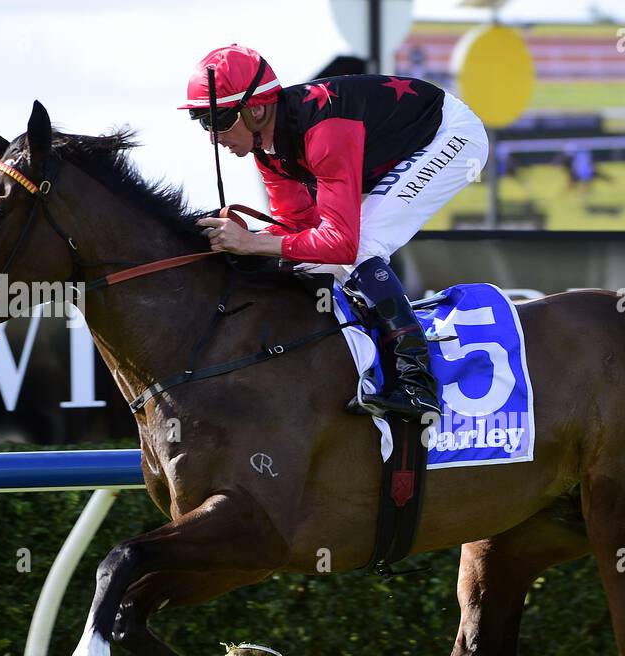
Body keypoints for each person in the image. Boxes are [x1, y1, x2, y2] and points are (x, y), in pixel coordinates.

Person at [182, 44, 490, 420]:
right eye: (203, 123)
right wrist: (249, 242)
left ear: (256, 109)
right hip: (394, 146)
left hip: (450, 136)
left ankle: (416, 383)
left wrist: (252, 242)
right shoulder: (268, 148)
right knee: (312, 265)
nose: (213, 137)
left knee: (363, 247)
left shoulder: (324, 131)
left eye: (217, 121)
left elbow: (342, 244)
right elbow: (299, 229)